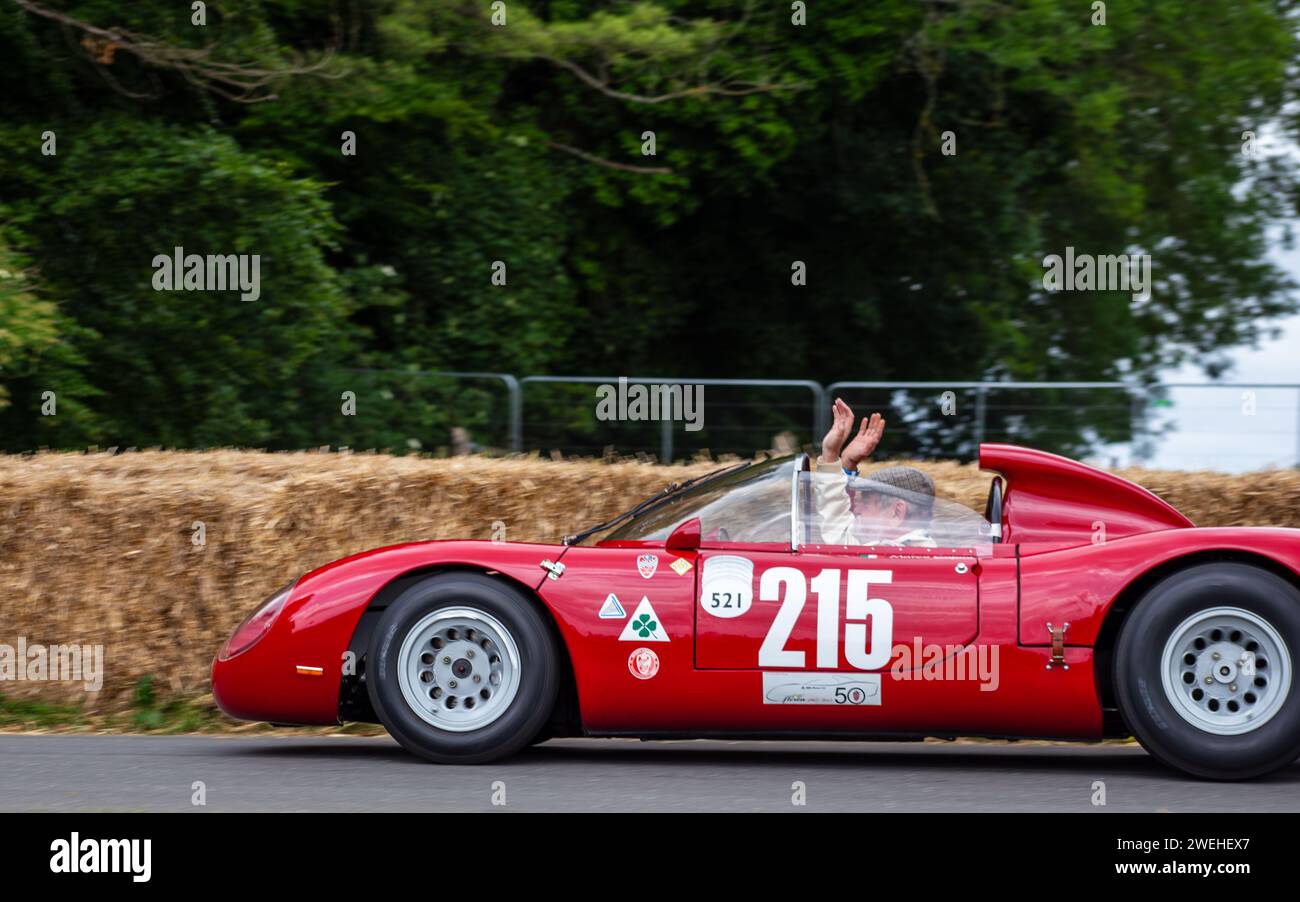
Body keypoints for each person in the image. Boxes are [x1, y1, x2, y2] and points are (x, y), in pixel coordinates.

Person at [815, 398, 937, 546]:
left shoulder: (898, 554)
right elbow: (842, 539)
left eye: (866, 503)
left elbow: (838, 539)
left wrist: (830, 453)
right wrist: (846, 461)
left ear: (897, 513)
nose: (856, 509)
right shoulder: (912, 550)